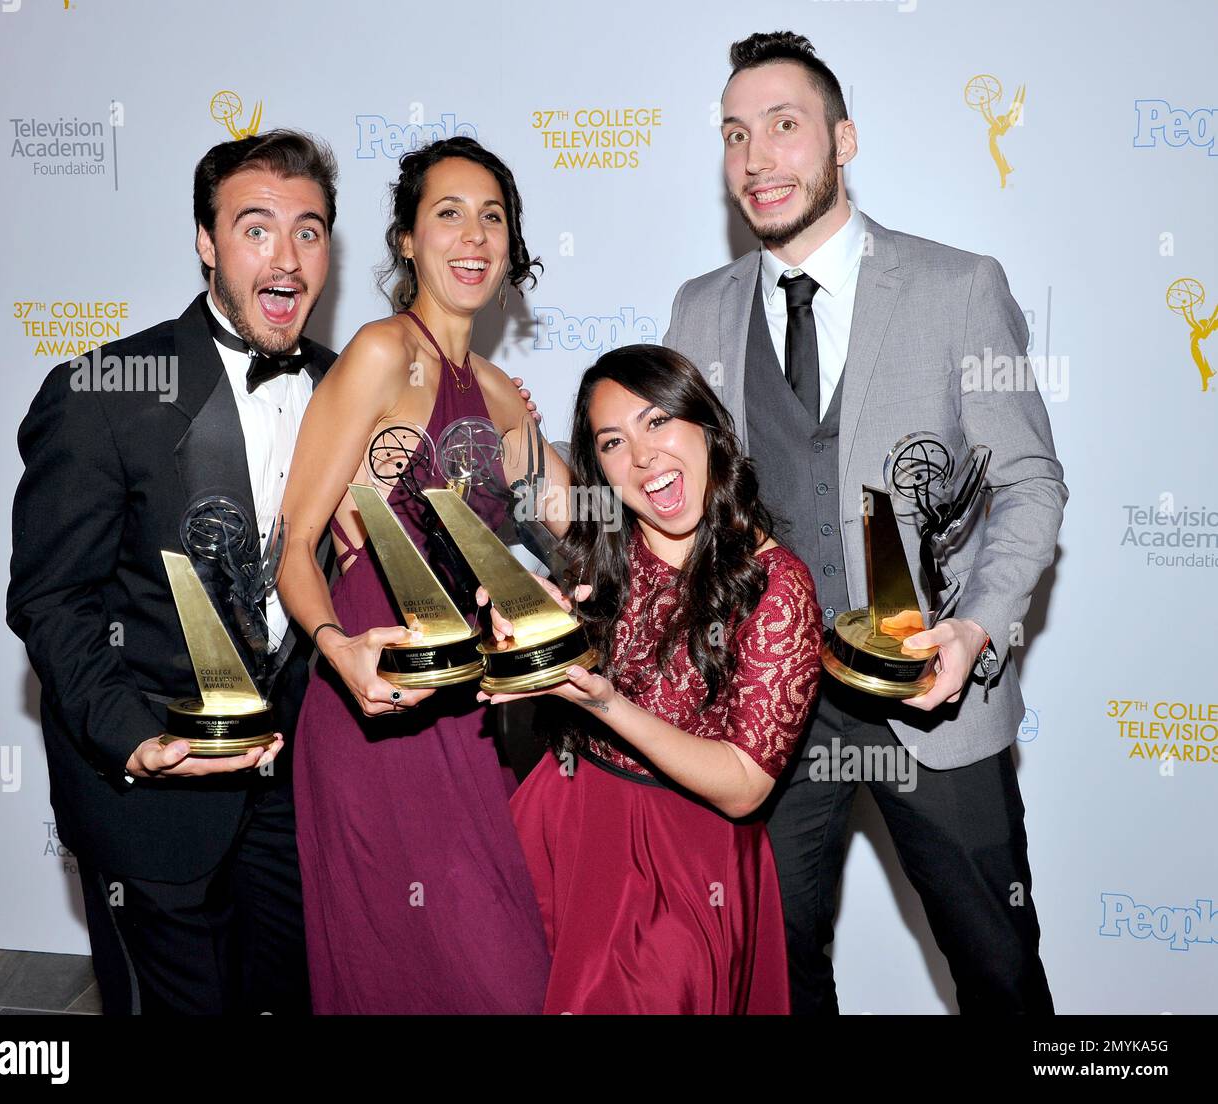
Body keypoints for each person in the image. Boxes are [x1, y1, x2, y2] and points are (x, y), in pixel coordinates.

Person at [662, 30, 1067, 1013]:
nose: (756, 158)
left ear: (842, 140)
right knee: (778, 976)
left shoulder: (955, 286)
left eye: (784, 126)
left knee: (999, 972)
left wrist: (970, 628)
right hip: (769, 716)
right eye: (733, 134)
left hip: (935, 701)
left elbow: (1029, 484)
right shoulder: (696, 311)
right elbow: (669, 510)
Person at [6, 130, 341, 1014]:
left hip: (290, 796)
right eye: (256, 227)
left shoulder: (345, 387)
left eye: (309, 231)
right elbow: (53, 599)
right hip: (148, 798)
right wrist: (131, 739)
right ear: (206, 241)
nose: (286, 255)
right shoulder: (104, 391)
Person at [276, 136, 571, 1013]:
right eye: (448, 212)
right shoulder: (377, 354)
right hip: (375, 715)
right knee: (407, 973)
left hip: (474, 723)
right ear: (406, 238)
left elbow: (573, 524)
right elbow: (294, 548)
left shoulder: (507, 395)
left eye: (493, 217)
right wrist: (336, 648)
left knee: (510, 973)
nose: (474, 234)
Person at [480, 344, 823, 1014]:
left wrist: (606, 704)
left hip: (681, 871)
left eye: (658, 421)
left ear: (709, 429)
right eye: (613, 442)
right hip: (558, 826)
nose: (642, 457)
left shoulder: (778, 586)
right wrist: (529, 622)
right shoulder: (598, 543)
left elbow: (746, 787)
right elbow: (513, 455)